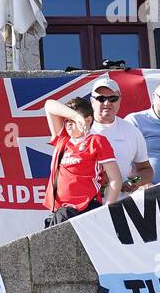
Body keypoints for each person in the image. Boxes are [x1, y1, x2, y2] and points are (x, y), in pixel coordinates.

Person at [42, 96, 123, 226]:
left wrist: (106, 209)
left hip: (86, 208)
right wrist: (75, 115)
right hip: (61, 210)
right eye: (67, 120)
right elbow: (49, 105)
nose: (69, 122)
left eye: (73, 120)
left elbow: (116, 179)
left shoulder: (96, 141)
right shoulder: (63, 139)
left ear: (89, 120)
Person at [87, 74, 153, 194]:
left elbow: (146, 170)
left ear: (120, 100)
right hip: (89, 204)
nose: (107, 103)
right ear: (92, 101)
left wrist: (134, 181)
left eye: (112, 98)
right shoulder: (82, 130)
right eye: (101, 99)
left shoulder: (132, 131)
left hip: (122, 205)